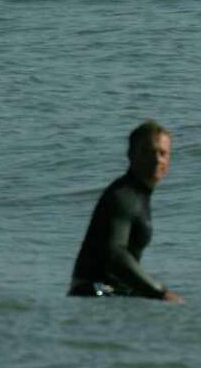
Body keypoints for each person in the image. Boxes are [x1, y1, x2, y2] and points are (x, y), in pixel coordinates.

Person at [68, 120, 184, 303]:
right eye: (149, 152)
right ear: (131, 155)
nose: (157, 159)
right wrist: (160, 292)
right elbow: (116, 254)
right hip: (95, 290)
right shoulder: (123, 196)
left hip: (103, 290)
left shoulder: (137, 193)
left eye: (163, 153)